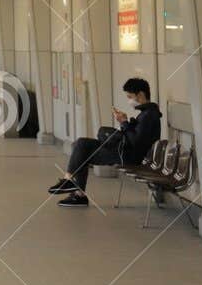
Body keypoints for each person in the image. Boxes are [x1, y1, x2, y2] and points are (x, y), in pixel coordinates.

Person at [49, 77, 162, 208]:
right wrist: (126, 122)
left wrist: (124, 122)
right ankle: (72, 185)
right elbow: (136, 137)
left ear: (141, 94)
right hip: (126, 150)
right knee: (80, 144)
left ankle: (75, 190)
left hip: (129, 156)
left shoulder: (149, 115)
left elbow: (135, 142)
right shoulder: (146, 113)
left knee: (82, 150)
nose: (129, 100)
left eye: (130, 96)